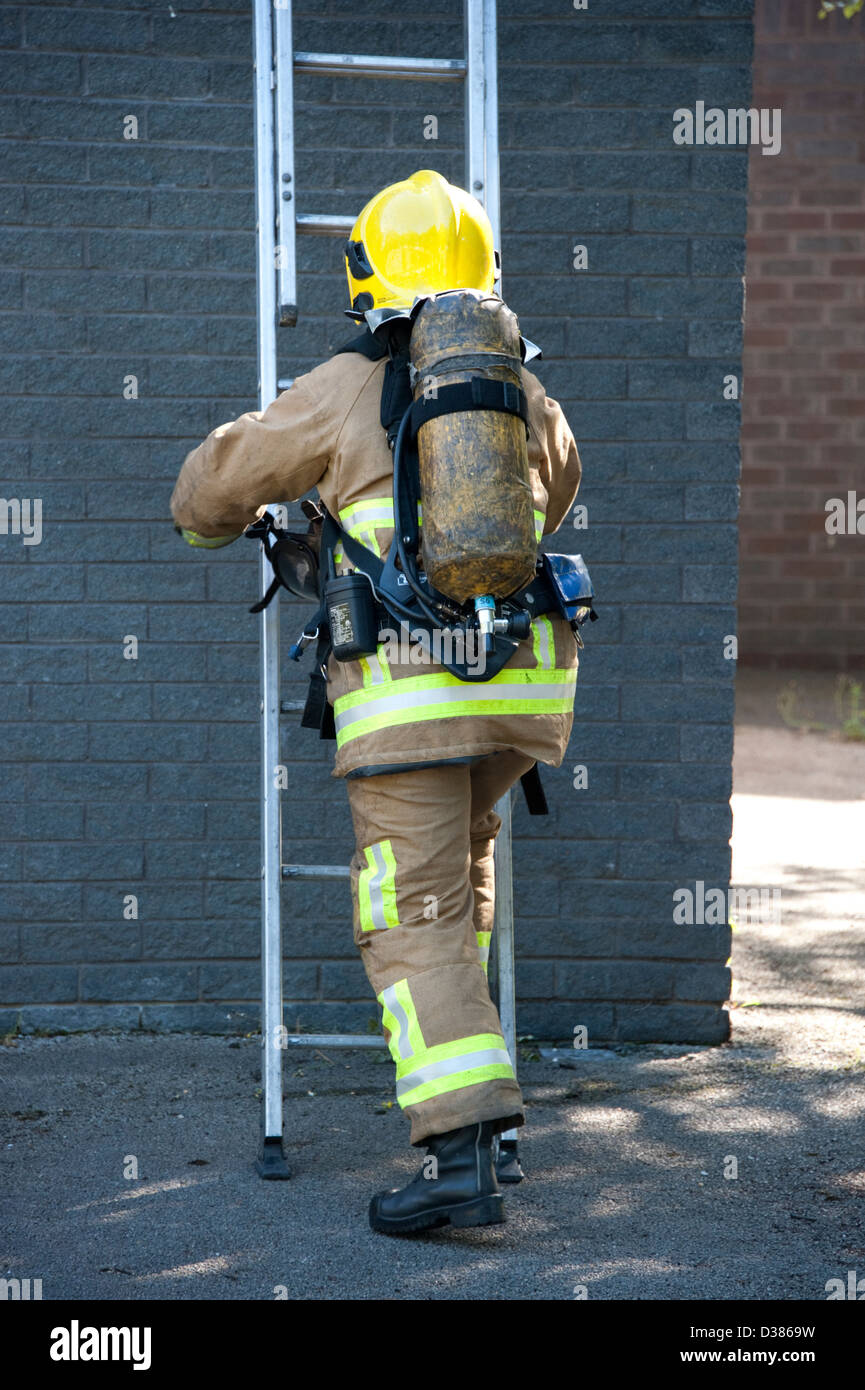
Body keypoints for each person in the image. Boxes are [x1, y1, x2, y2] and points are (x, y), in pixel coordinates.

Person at [170, 169, 582, 1235]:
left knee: (409, 912)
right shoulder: (521, 389)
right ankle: (489, 1128)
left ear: (368, 276)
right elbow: (563, 484)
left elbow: (213, 490)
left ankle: (457, 1163)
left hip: (409, 694)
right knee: (462, 889)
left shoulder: (347, 383)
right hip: (521, 692)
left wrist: (224, 516)